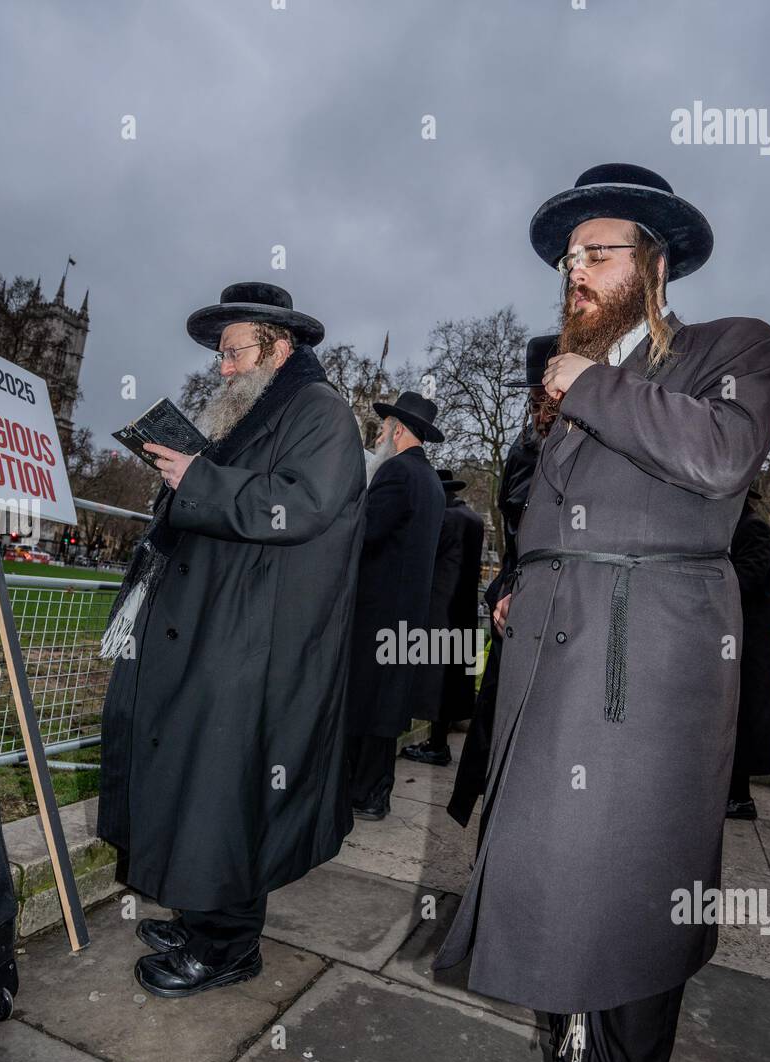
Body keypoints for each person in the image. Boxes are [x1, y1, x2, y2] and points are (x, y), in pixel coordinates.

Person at [434, 163, 770, 1062]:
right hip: (555, 644)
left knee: (629, 882)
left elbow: (719, 458)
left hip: (651, 662)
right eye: (565, 259)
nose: (571, 273)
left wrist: (589, 384)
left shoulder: (731, 348)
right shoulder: (562, 375)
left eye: (595, 253)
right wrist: (517, 581)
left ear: (655, 264)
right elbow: (552, 512)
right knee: (552, 875)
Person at [98, 282, 366, 998]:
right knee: (198, 788)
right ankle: (199, 917)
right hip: (216, 632)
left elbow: (301, 506)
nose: (221, 368)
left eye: (233, 352)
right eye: (220, 355)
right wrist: (188, 477)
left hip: (255, 645)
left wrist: (200, 480)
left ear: (277, 347)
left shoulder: (322, 412)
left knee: (226, 795)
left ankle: (227, 947)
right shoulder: (259, 411)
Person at [448, 336, 556, 826]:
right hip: (521, 607)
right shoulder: (527, 449)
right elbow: (518, 531)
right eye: (538, 396)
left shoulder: (577, 444)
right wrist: (508, 586)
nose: (541, 406)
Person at [347, 392, 446, 819]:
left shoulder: (396, 473)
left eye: (386, 427)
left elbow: (363, 535)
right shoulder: (431, 482)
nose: (382, 434)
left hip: (378, 610)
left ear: (400, 430)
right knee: (386, 708)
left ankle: (362, 794)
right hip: (409, 615)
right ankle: (375, 792)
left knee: (365, 705)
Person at [402, 468, 484, 766]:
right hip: (464, 609)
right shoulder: (474, 519)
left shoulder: (444, 519)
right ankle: (437, 741)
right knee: (452, 679)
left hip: (438, 608)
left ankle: (436, 746)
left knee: (434, 680)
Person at [726, 486, 770, 818]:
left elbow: (748, 580)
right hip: (732, 639)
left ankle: (741, 798)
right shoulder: (735, 528)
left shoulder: (752, 527)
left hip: (746, 644)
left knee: (742, 717)